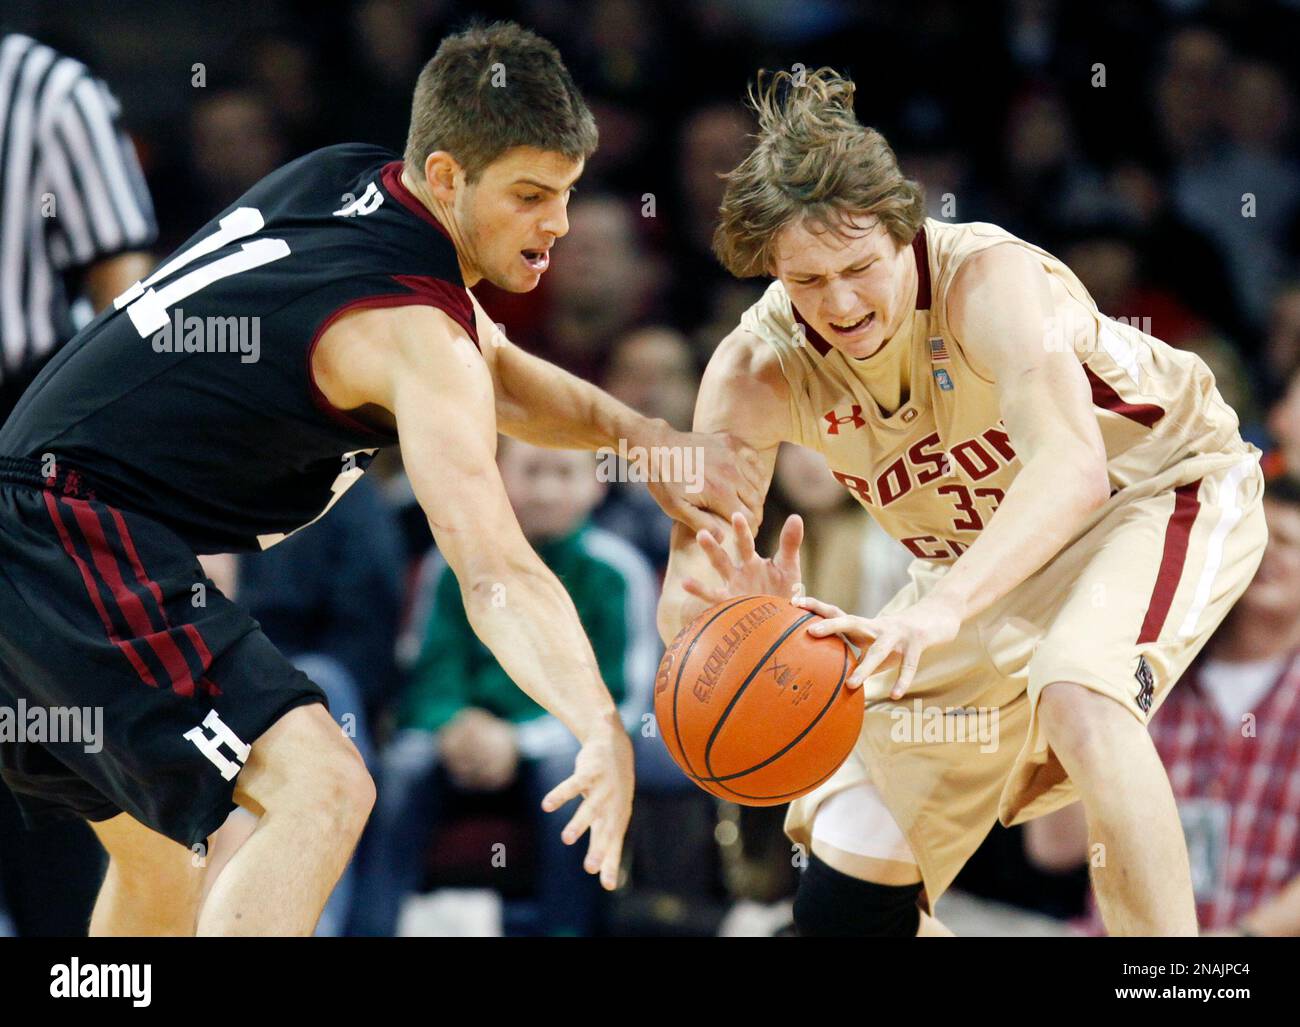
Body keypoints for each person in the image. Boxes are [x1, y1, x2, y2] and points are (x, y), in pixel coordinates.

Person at [0, 21, 758, 937]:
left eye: (564, 193)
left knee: (162, 848)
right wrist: (597, 718)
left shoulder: (351, 179)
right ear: (447, 176)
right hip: (66, 530)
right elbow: (494, 572)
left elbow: (496, 362)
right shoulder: (409, 331)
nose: (555, 224)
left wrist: (642, 438)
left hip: (36, 527)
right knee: (322, 785)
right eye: (528, 195)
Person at [657, 68, 1267, 937]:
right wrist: (714, 615)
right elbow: (686, 589)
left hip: (1153, 491)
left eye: (860, 267)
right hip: (978, 564)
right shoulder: (755, 368)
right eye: (806, 281)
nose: (839, 303)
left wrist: (937, 612)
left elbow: (1071, 470)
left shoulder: (990, 281)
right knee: (844, 889)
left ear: (907, 233)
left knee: (1080, 690)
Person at [353, 438, 658, 936]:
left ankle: (569, 929)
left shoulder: (619, 572)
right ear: (497, 476)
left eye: (564, 473)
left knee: (573, 775)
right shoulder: (453, 562)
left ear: (597, 484)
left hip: (558, 742)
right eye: (531, 471)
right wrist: (451, 725)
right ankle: (372, 926)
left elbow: (625, 701)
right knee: (404, 765)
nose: (545, 490)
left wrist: (519, 742)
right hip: (462, 737)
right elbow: (429, 671)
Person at [0, 31, 159, 937]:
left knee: (53, 747)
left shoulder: (49, 90)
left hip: (25, 434)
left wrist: (128, 476)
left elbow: (126, 299)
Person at [1026, 475, 1300, 935]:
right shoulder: (1142, 671)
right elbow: (1054, 849)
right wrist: (1066, 682)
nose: (1266, 555)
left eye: (1288, 542)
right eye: (1255, 538)